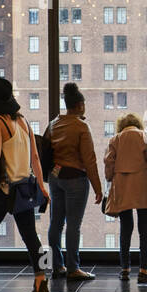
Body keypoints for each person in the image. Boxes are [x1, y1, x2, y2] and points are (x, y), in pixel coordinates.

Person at [0, 77, 50, 292]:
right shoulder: (24, 121)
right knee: (30, 237)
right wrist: (41, 185)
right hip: (23, 188)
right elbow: (35, 157)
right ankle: (40, 283)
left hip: (1, 190)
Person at [47, 82, 104, 281]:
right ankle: (73, 268)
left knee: (55, 223)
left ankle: (56, 265)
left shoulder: (54, 123)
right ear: (80, 105)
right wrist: (98, 188)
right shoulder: (81, 127)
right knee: (73, 225)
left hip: (55, 179)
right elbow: (89, 160)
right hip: (75, 180)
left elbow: (45, 151)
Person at [104, 112, 147, 282]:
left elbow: (108, 163)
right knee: (144, 229)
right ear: (138, 124)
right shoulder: (145, 136)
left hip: (122, 186)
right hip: (144, 184)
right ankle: (143, 270)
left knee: (126, 228)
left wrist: (110, 178)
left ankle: (125, 269)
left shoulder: (115, 140)